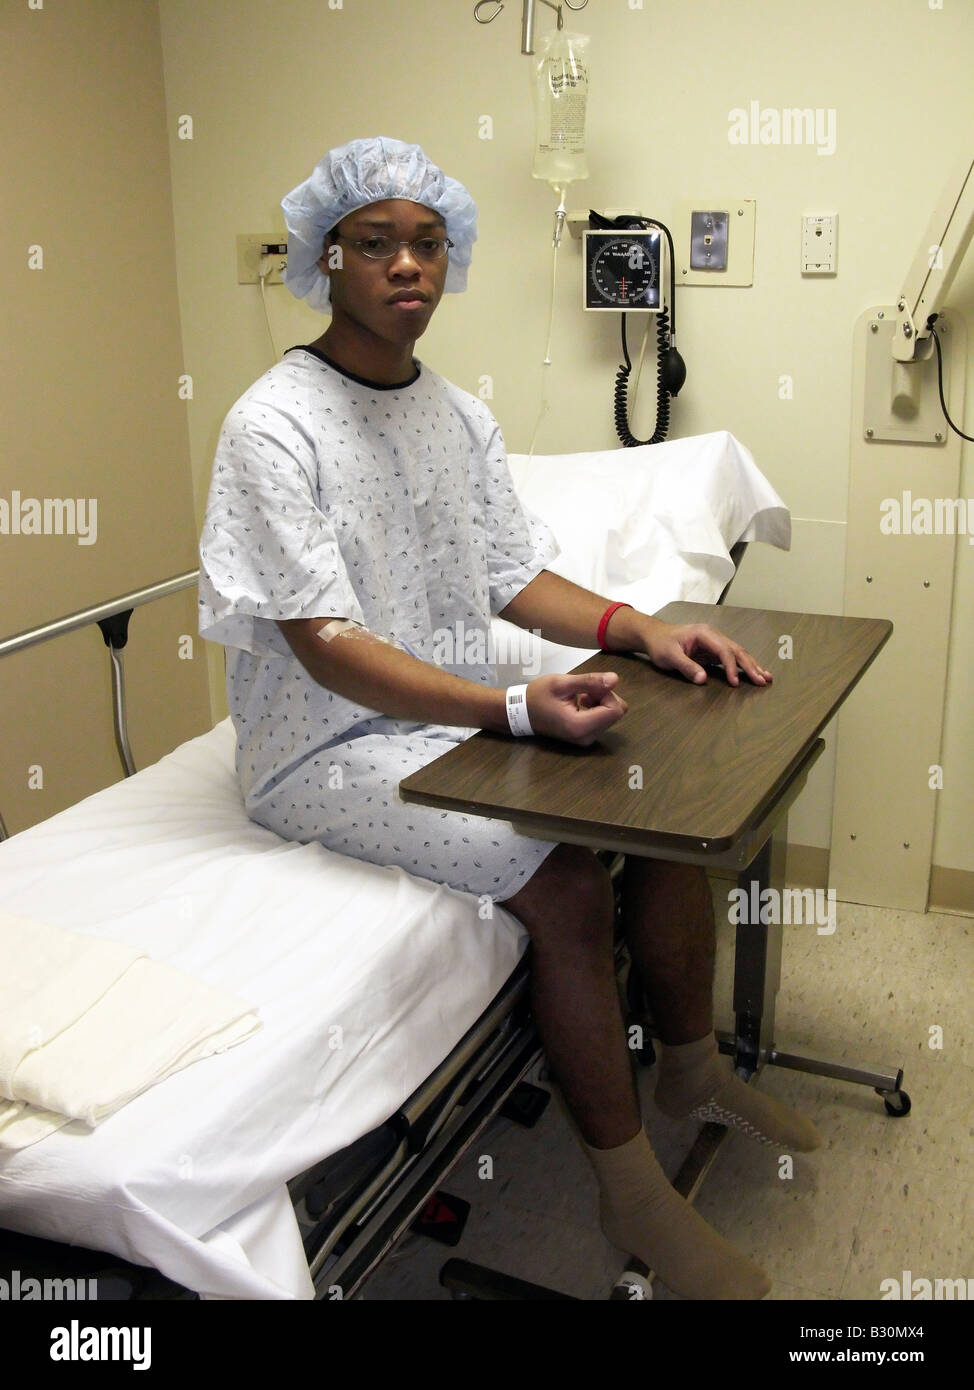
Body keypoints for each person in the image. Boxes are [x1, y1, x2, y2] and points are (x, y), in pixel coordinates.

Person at [199, 137, 820, 1300]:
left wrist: (636, 628)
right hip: (324, 751)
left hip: (443, 720)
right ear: (325, 258)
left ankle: (687, 1070)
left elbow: (509, 574)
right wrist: (509, 710)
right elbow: (325, 648)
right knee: (565, 874)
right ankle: (629, 1193)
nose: (406, 266)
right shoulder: (270, 428)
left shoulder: (453, 416)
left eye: (426, 243)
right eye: (375, 243)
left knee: (654, 804)